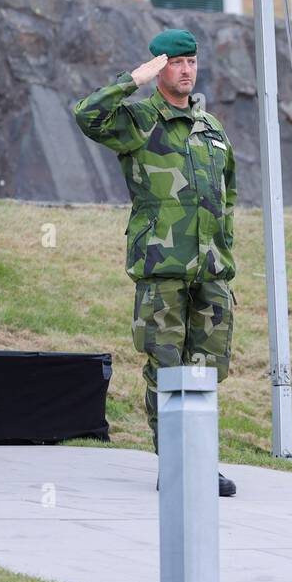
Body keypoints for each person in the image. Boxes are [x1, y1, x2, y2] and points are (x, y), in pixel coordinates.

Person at [72, 29, 238, 497]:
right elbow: (87, 115)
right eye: (175, 62)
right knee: (166, 367)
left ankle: (202, 463)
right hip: (162, 265)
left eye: (191, 61)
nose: (185, 70)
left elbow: (228, 197)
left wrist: (224, 256)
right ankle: (177, 464)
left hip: (211, 269)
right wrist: (132, 81)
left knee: (205, 369)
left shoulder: (212, 129)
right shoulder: (140, 120)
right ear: (159, 68)